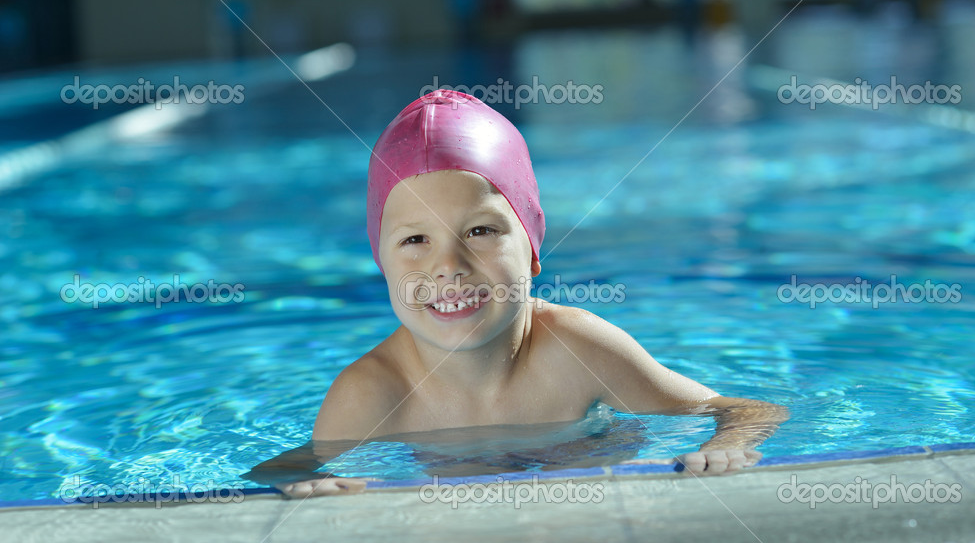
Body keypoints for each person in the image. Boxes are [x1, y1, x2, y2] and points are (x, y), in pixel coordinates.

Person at [246, 89, 788, 497]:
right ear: (381, 264)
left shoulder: (578, 351)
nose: (449, 267)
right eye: (414, 240)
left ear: (530, 247)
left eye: (480, 231)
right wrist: (300, 488)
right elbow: (282, 472)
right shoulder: (373, 395)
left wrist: (724, 444)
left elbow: (745, 410)